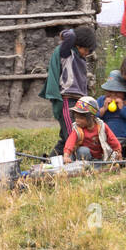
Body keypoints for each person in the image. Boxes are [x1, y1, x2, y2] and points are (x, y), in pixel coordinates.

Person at [41, 25, 97, 155]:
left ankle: (50, 160)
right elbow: (71, 36)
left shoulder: (80, 58)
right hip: (67, 100)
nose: (87, 53)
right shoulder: (67, 52)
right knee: (73, 133)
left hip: (78, 101)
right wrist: (69, 33)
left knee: (67, 136)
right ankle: (75, 161)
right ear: (78, 44)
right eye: (86, 49)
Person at [61, 96, 121, 165]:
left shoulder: (101, 126)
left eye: (81, 118)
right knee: (83, 150)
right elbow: (70, 141)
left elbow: (112, 139)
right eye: (76, 117)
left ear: (91, 117)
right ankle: (83, 165)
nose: (77, 120)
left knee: (101, 164)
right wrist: (66, 155)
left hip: (98, 158)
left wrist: (118, 151)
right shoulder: (78, 129)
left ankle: (95, 166)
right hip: (82, 157)